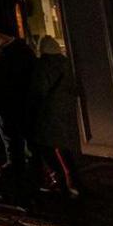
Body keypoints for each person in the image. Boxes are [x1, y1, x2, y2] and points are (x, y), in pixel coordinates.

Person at [28, 35, 81, 198]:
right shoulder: (65, 63)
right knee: (64, 147)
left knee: (47, 147)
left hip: (49, 111)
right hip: (65, 111)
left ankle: (59, 181)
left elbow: (39, 90)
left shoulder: (43, 65)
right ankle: (73, 180)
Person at [0, 21, 37, 190]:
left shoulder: (1, 54)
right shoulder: (24, 51)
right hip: (18, 105)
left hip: (8, 105)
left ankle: (19, 178)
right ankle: (28, 177)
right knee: (23, 142)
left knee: (13, 143)